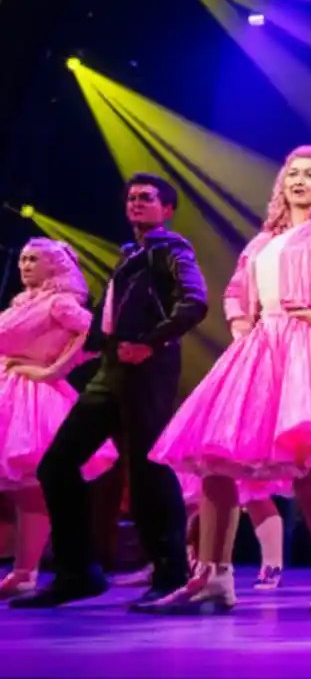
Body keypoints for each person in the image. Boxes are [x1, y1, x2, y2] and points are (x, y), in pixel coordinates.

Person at [139, 146, 311, 614]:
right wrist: (241, 326)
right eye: (292, 173)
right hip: (259, 348)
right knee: (216, 461)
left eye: (310, 174)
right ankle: (213, 578)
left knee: (308, 473)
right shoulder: (262, 241)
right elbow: (236, 290)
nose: (299, 180)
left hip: (305, 349)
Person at [14, 174, 208, 609]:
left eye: (147, 198)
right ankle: (78, 572)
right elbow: (102, 324)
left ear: (167, 209)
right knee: (57, 464)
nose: (136, 203)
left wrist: (151, 342)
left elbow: (194, 302)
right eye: (132, 198)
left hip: (147, 368)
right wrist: (61, 364)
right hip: (112, 369)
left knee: (147, 471)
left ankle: (170, 574)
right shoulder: (131, 255)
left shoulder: (171, 250)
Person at [0, 239, 117, 598]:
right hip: (7, 386)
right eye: (23, 258)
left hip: (33, 395)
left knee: (32, 486)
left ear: (54, 265)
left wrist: (52, 369)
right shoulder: (23, 301)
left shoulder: (60, 302)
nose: (25, 265)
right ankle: (21, 568)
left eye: (34, 259)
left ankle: (25, 571)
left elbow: (96, 336)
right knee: (16, 489)